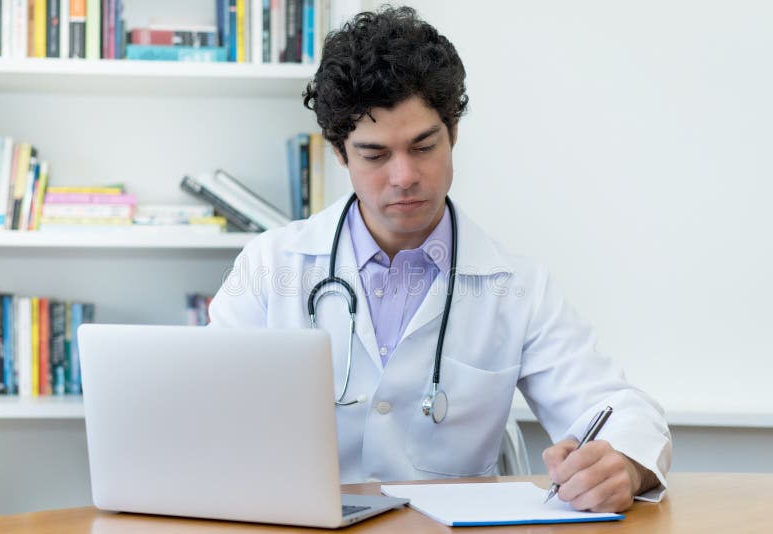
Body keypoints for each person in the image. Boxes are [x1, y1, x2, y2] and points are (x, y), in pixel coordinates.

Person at [208, 6, 671, 513]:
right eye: (375, 154)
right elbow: (204, 408)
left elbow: (622, 410)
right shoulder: (270, 267)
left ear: (453, 133)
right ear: (341, 154)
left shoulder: (516, 286)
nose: (404, 175)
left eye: (423, 146)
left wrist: (621, 465)